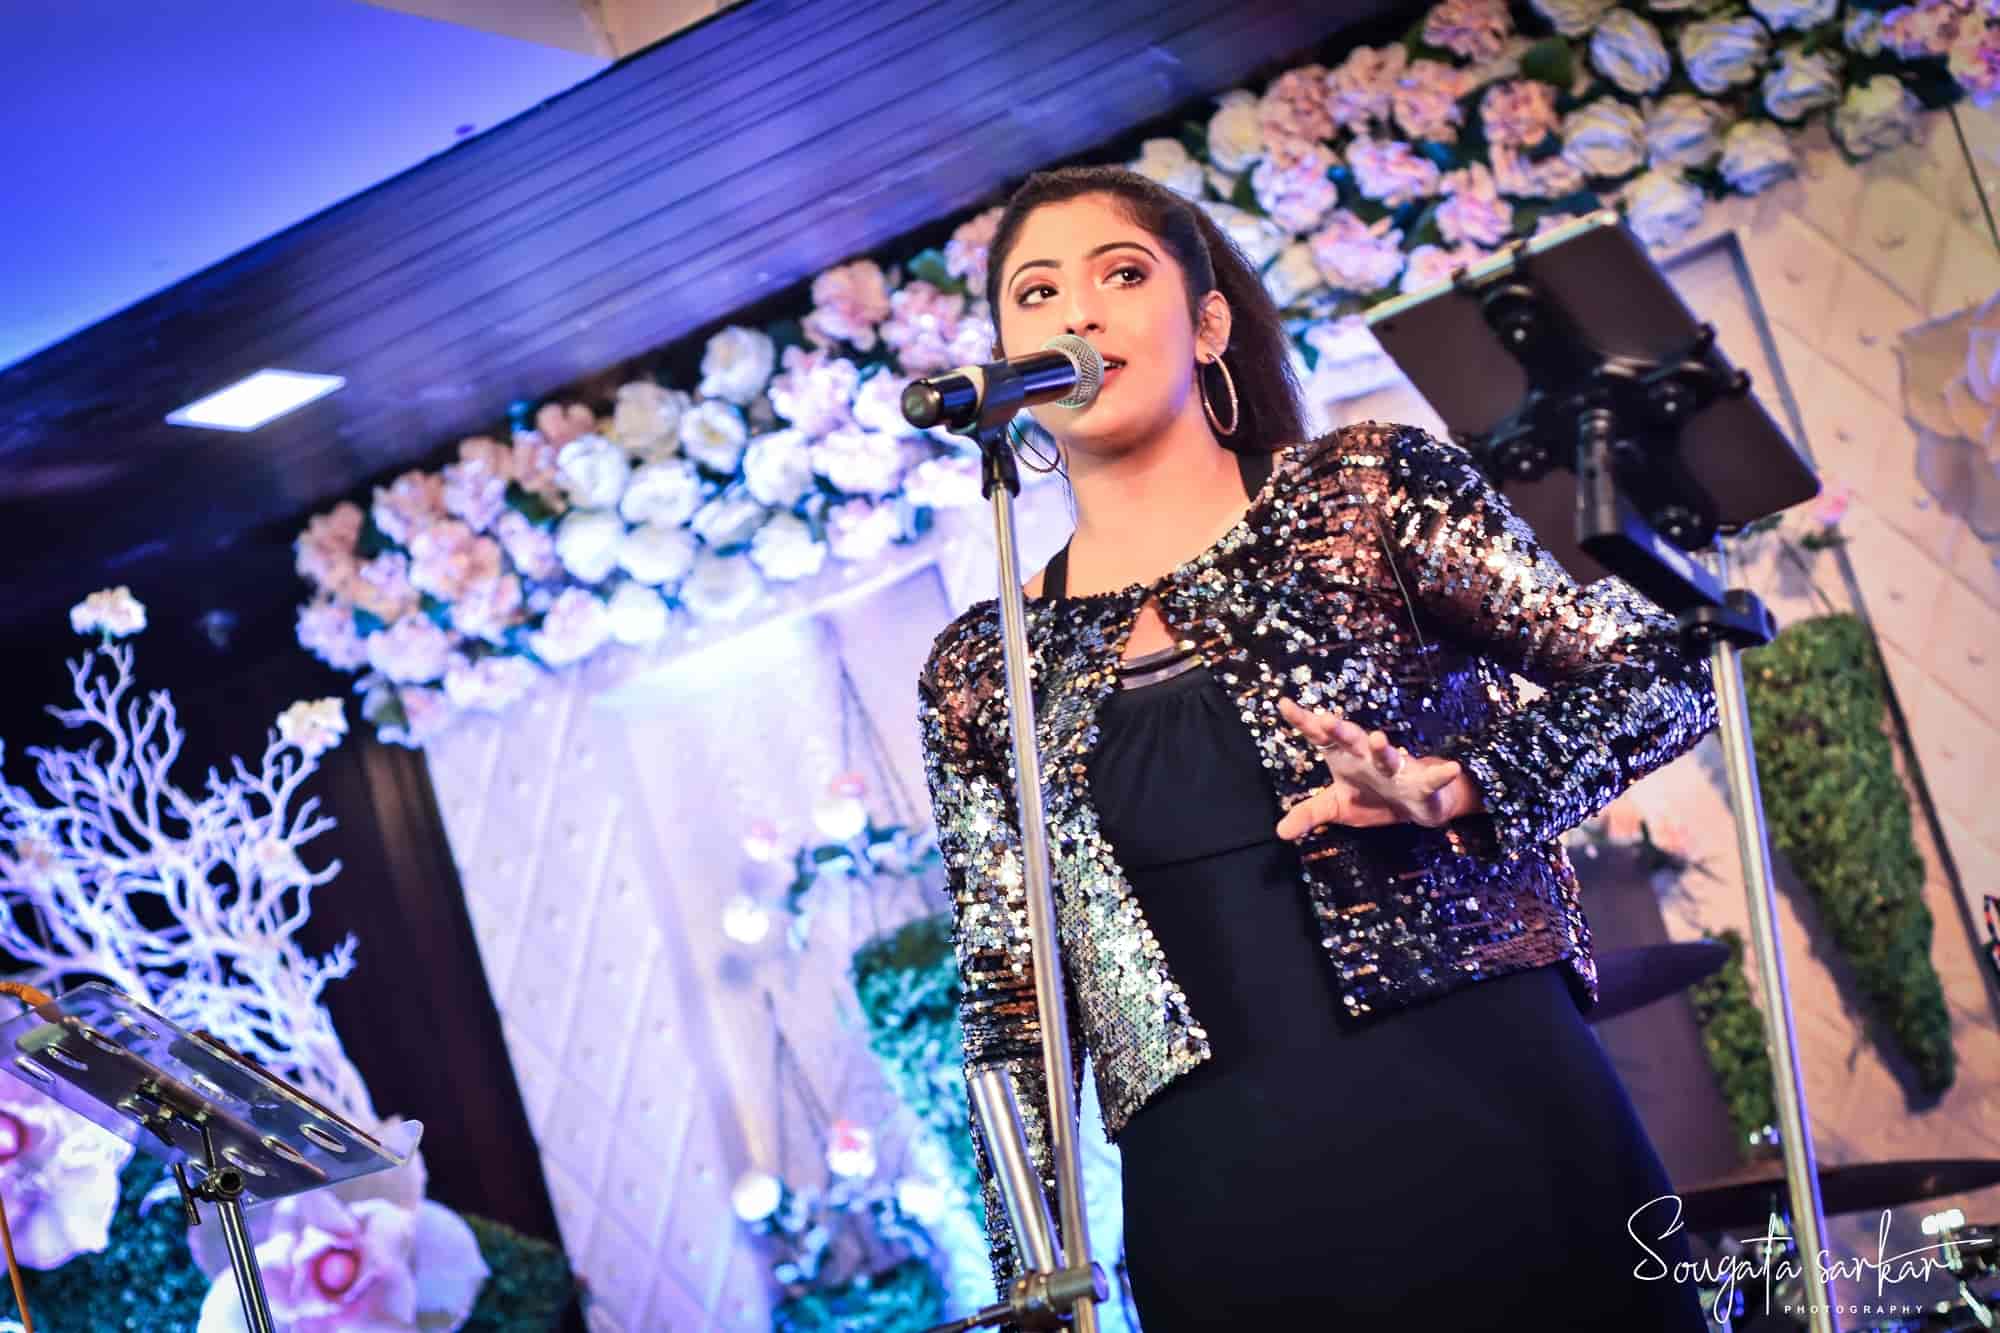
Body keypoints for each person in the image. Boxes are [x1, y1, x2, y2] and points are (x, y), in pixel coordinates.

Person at [915, 165, 1716, 1330]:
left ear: (1208, 325)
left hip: (1491, 1108)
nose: (1074, 313)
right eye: (1036, 294)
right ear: (1007, 364)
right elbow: (1010, 1006)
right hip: (1220, 1197)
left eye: (1120, 274)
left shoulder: (1363, 493)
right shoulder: (979, 668)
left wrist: (1466, 783)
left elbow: (1663, 670)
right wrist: (1031, 1290)